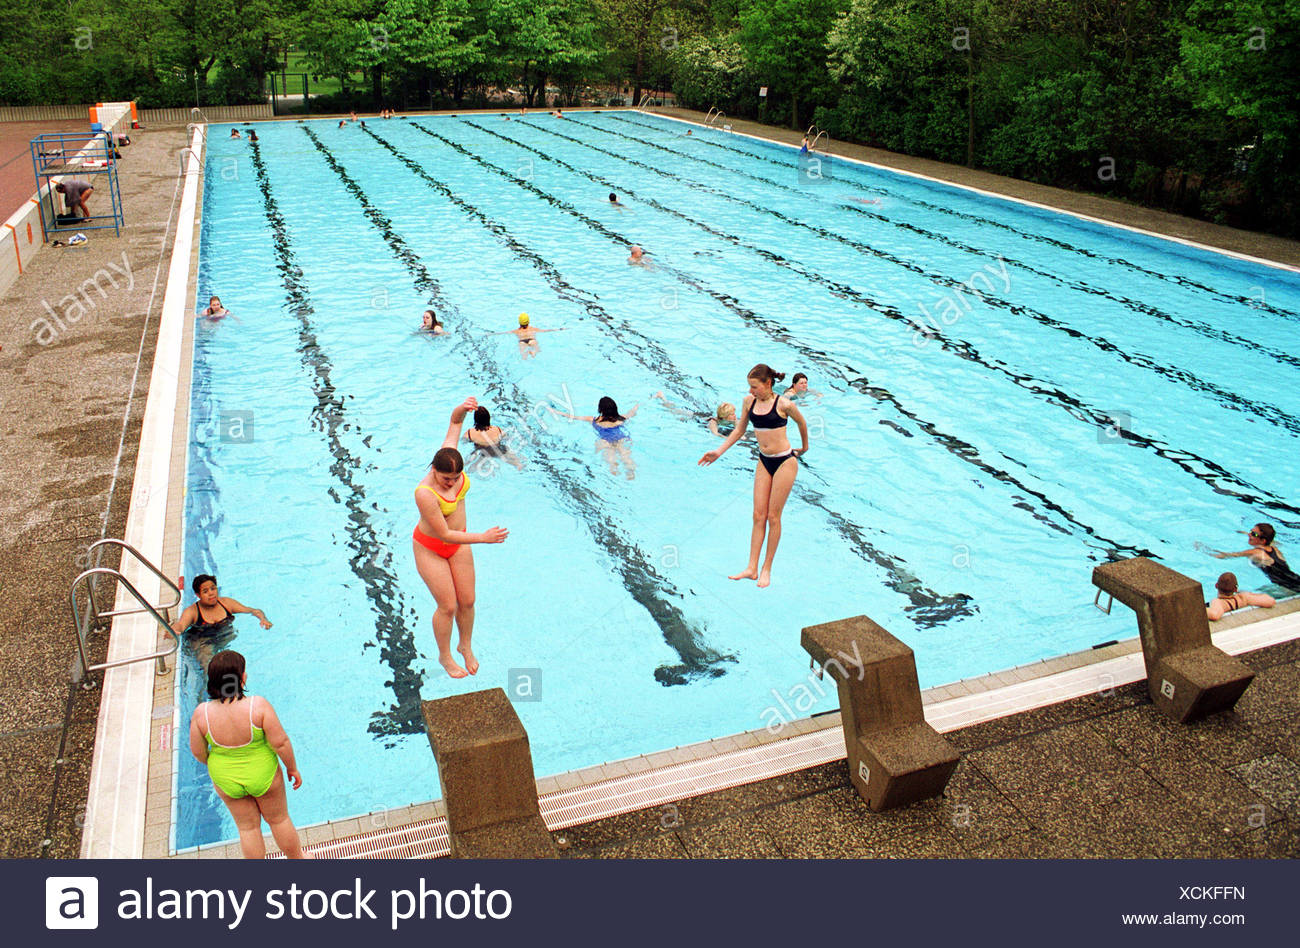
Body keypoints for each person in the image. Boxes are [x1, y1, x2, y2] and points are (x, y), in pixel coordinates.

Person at [414, 398, 509, 678]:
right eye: (446, 479)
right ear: (434, 471)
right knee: (448, 606)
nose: (452, 483)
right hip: (431, 548)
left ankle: (464, 646)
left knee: (467, 601)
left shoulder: (451, 457)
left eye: (457, 478)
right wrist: (484, 538)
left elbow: (455, 423)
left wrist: (463, 408)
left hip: (459, 545)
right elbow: (443, 533)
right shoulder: (424, 493)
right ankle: (445, 657)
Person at [699, 364, 810, 587]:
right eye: (750, 387)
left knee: (773, 517)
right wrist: (718, 452)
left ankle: (766, 568)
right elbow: (739, 430)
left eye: (755, 387)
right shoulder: (749, 402)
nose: (751, 391)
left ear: (768, 384)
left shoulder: (784, 404)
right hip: (764, 460)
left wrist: (804, 448)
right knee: (758, 515)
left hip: (785, 461)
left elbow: (802, 422)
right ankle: (752, 568)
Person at [188, 650, 306, 859]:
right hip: (263, 774)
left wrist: (221, 764)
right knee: (279, 820)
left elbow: (198, 753)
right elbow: (281, 743)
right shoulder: (257, 706)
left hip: (226, 778)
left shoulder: (202, 713)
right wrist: (292, 768)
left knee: (248, 829)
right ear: (242, 678)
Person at [171, 573, 272, 670]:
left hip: (224, 636)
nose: (211, 593)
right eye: (205, 591)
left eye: (213, 588)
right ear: (198, 595)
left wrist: (263, 619)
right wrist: (174, 630)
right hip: (202, 641)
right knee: (210, 667)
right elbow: (181, 625)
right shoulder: (193, 611)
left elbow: (253, 610)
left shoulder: (227, 603)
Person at [552, 396, 639, 479]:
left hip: (606, 441)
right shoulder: (621, 419)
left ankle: (615, 474)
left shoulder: (594, 420)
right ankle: (631, 475)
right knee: (626, 458)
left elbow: (574, 417)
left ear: (600, 409)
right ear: (615, 408)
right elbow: (631, 412)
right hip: (621, 439)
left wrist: (558, 412)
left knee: (611, 462)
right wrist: (637, 404)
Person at [1213, 522, 1300, 590]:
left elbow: (1225, 556)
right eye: (1250, 532)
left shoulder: (1255, 552)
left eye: (1253, 534)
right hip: (1295, 579)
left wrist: (1203, 549)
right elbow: (1272, 541)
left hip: (1288, 587)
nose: (1249, 535)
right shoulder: (1274, 548)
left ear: (1263, 541)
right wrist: (1246, 533)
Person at [464, 406, 524, 471]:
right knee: (517, 463)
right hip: (499, 450)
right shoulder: (498, 429)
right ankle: (519, 466)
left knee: (469, 467)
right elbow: (506, 438)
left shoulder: (470, 433)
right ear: (488, 418)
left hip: (484, 453)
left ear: (475, 419)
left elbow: (463, 441)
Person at [490, 312, 563, 359]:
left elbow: (504, 333)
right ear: (528, 321)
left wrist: (489, 334)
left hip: (522, 341)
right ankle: (533, 353)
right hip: (532, 340)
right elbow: (545, 331)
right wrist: (559, 329)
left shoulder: (517, 331)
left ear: (519, 322)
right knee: (537, 350)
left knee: (524, 357)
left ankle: (527, 354)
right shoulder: (533, 329)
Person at [1206, 572, 1275, 621]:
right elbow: (1271, 601)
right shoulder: (1244, 597)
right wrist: (1253, 594)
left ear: (1216, 585)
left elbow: (1214, 615)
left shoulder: (1218, 602)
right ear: (1236, 589)